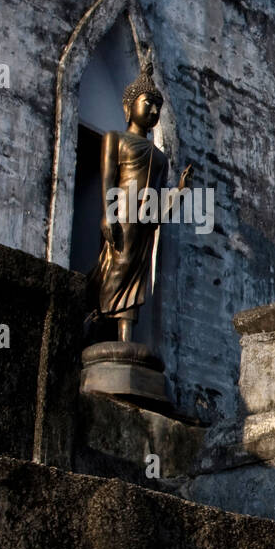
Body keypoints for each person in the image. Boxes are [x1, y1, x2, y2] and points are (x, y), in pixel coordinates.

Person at [88, 62, 191, 343]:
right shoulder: (115, 139)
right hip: (122, 215)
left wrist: (181, 190)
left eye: (158, 107)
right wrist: (108, 215)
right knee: (116, 267)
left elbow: (158, 205)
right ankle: (98, 321)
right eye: (149, 103)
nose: (155, 112)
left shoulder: (160, 157)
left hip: (145, 223)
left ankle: (126, 336)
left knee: (137, 277)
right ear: (130, 105)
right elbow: (109, 178)